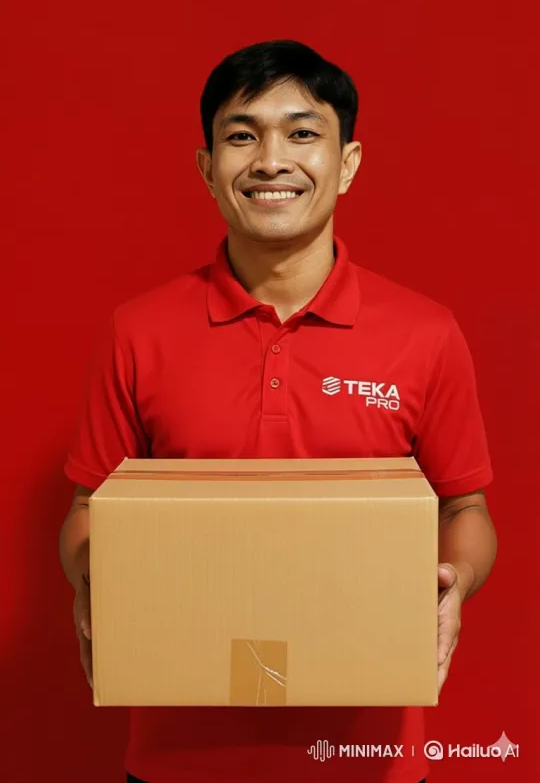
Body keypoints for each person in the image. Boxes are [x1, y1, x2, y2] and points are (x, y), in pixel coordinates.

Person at [59, 39, 498, 783]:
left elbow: (467, 507)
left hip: (373, 760)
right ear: (206, 168)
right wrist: (93, 577)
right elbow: (86, 506)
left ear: (348, 162)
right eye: (241, 135)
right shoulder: (139, 329)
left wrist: (454, 581)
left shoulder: (426, 334)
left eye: (301, 133)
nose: (270, 161)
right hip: (176, 760)